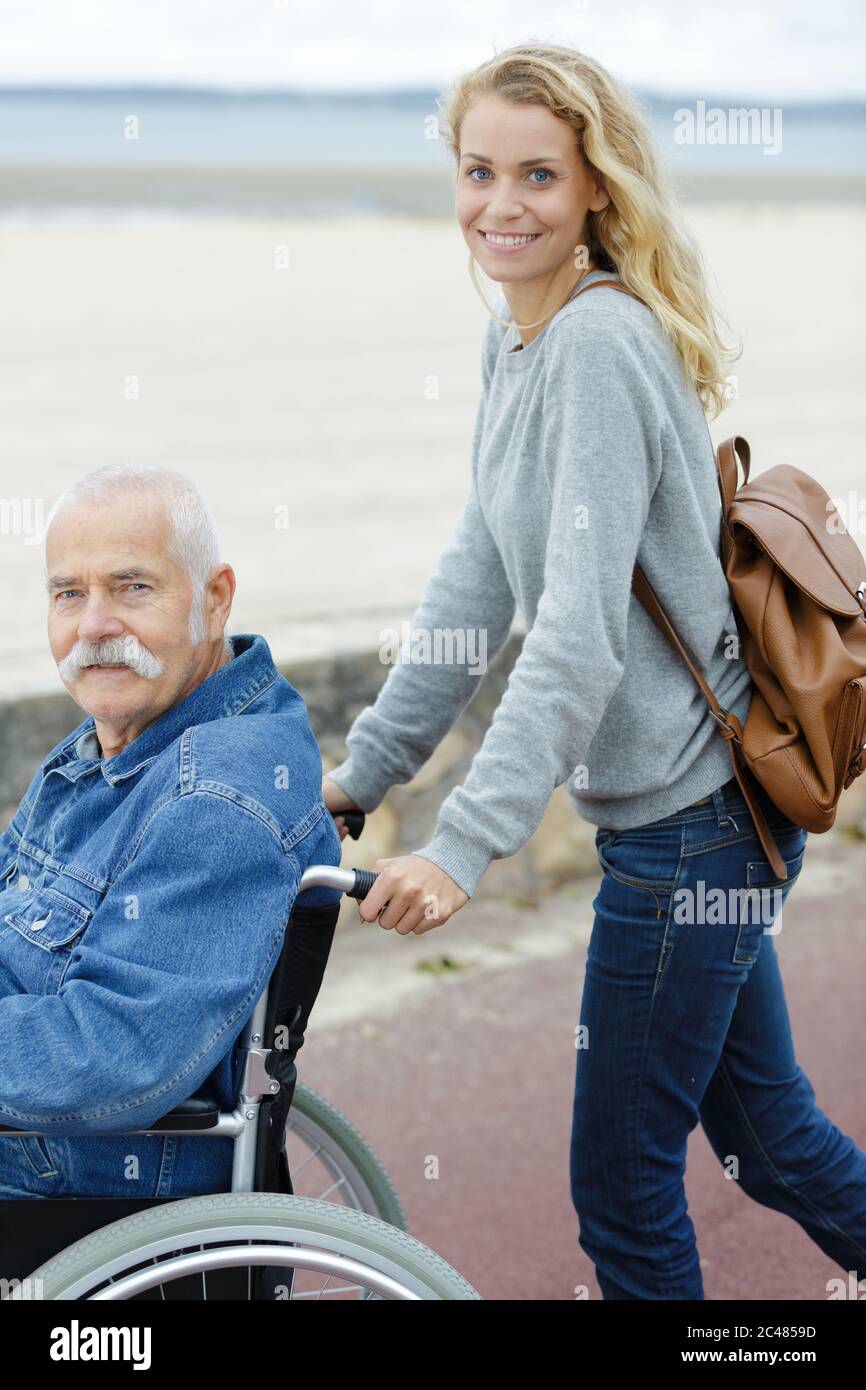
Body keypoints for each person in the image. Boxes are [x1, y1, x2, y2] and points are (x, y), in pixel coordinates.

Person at [322, 42, 866, 1297]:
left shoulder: (596, 348)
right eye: (476, 171)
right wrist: (363, 775)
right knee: (769, 1143)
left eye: (537, 176)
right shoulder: (516, 342)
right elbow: (476, 578)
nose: (499, 205)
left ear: (596, 192)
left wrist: (461, 845)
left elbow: (571, 630)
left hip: (690, 831)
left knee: (622, 1192)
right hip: (694, 824)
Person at [0, 463, 341, 1198]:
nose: (93, 626)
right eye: (69, 593)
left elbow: (113, 1054)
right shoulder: (130, 734)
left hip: (61, 1174)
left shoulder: (213, 800)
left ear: (214, 600)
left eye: (132, 587)